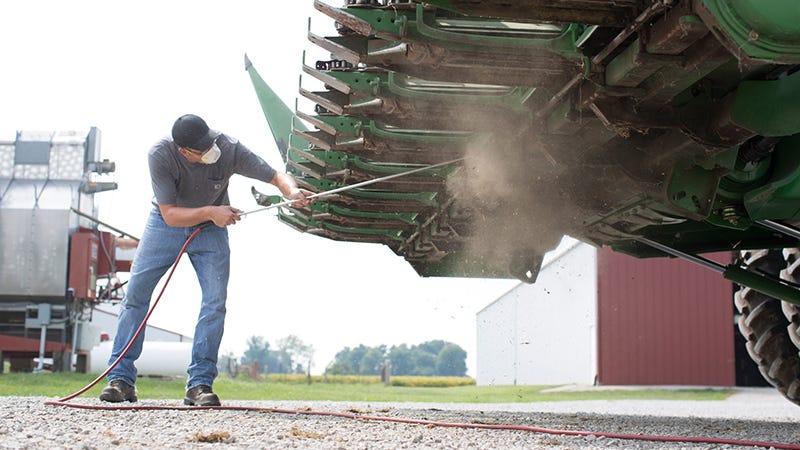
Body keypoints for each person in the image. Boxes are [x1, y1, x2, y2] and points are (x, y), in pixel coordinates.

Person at [99, 114, 313, 406]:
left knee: (214, 302)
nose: (212, 150)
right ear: (183, 151)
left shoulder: (228, 148)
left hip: (211, 231)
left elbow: (275, 175)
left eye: (210, 143)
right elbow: (170, 214)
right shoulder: (160, 155)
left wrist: (292, 190)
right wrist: (212, 212)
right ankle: (121, 379)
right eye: (202, 149)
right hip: (167, 225)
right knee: (136, 294)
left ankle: (199, 384)